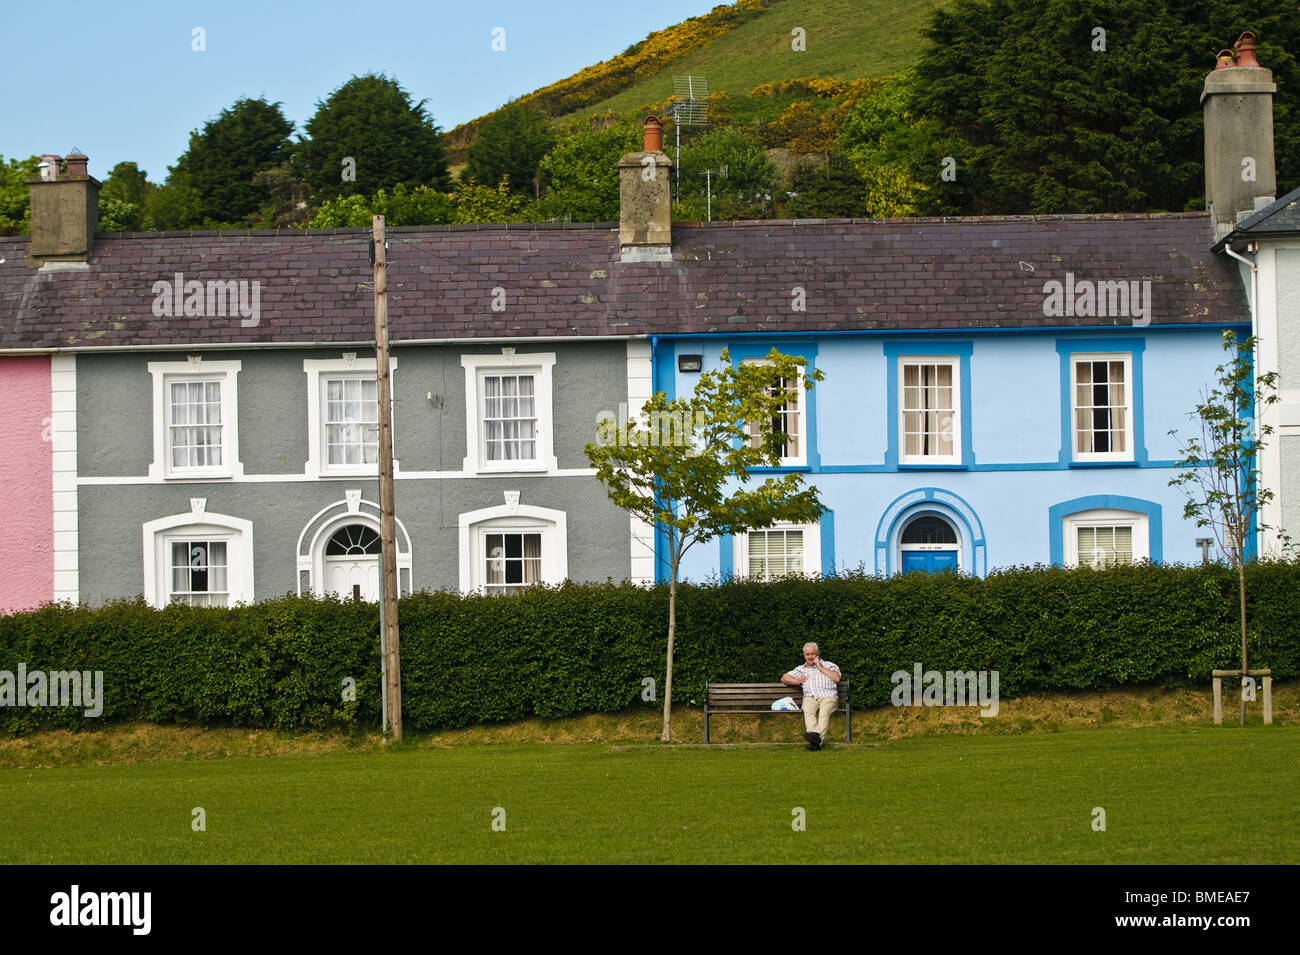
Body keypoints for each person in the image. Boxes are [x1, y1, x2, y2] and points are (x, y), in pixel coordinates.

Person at [781, 642, 841, 750]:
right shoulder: (801, 669)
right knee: (808, 711)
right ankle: (816, 740)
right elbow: (784, 678)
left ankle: (816, 742)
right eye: (807, 654)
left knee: (824, 713)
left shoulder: (830, 665)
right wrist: (796, 681)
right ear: (804, 655)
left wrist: (820, 667)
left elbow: (837, 678)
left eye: (813, 654)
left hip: (828, 697)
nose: (810, 657)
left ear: (817, 654)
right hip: (810, 697)